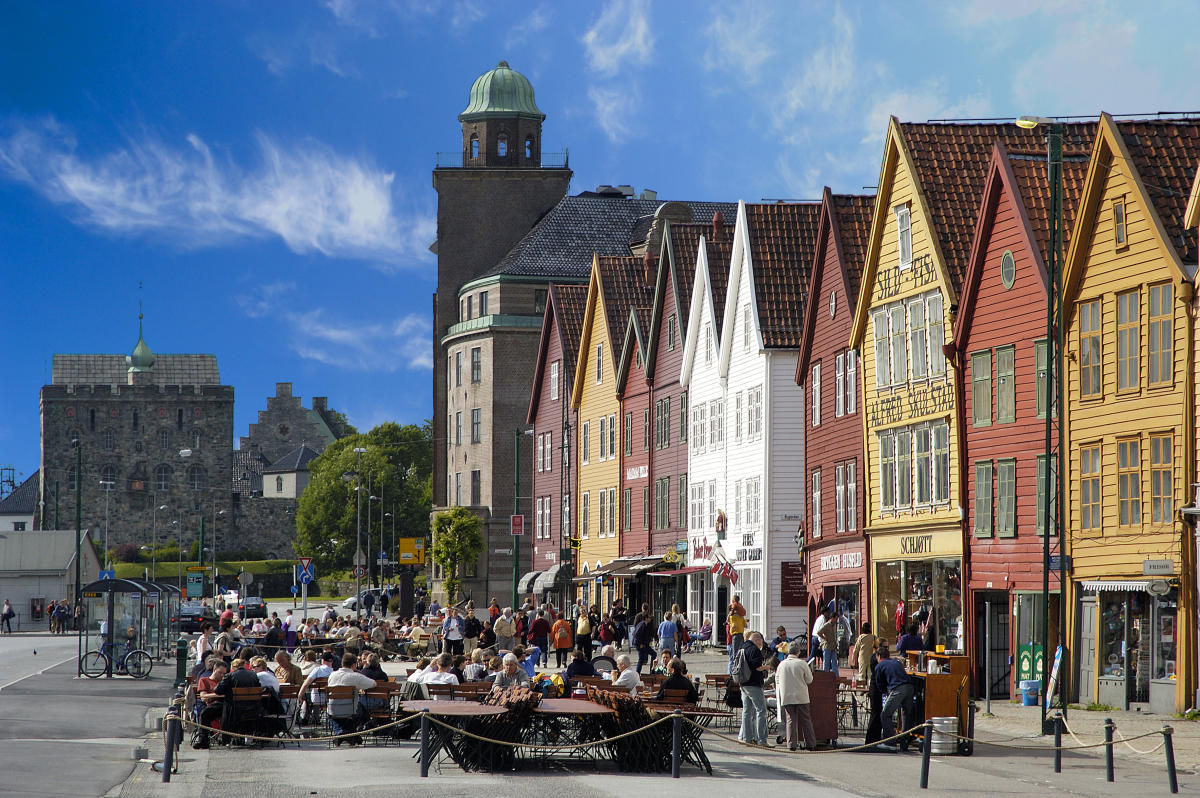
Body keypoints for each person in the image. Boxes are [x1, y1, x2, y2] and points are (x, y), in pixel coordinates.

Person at [326, 652, 379, 745]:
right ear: (354, 665)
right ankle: (348, 733)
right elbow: (373, 683)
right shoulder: (355, 676)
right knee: (361, 709)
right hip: (350, 711)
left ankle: (342, 732)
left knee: (332, 714)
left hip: (332, 710)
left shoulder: (332, 675)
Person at [775, 640, 817, 751]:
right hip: (801, 695)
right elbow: (809, 680)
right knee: (806, 720)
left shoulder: (781, 664)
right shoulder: (802, 664)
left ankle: (791, 744)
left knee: (790, 720)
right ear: (798, 652)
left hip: (787, 696)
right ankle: (810, 744)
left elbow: (777, 679)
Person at [873, 642, 914, 752]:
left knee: (885, 714)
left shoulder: (879, 666)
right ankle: (904, 743)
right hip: (910, 687)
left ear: (879, 656)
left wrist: (885, 693)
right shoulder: (897, 662)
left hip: (897, 689)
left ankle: (890, 742)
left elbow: (879, 684)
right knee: (906, 715)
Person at [738, 631, 771, 747]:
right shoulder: (755, 650)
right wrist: (767, 666)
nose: (761, 643)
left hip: (743, 683)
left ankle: (747, 738)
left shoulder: (743, 647)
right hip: (753, 684)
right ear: (757, 640)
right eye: (761, 641)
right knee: (761, 710)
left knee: (747, 711)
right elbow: (757, 667)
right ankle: (762, 740)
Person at [726, 596, 747, 674]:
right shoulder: (741, 616)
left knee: (734, 655)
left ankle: (733, 672)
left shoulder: (733, 615)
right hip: (741, 634)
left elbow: (728, 619)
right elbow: (745, 625)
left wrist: (731, 612)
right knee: (739, 653)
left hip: (735, 635)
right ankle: (738, 670)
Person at [817, 607, 840, 672]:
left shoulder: (834, 625)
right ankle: (826, 676)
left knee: (834, 663)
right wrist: (824, 638)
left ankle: (836, 677)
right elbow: (819, 632)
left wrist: (836, 646)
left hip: (833, 646)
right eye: (836, 619)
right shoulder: (826, 625)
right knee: (826, 663)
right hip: (827, 646)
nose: (836, 620)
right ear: (832, 618)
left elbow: (834, 636)